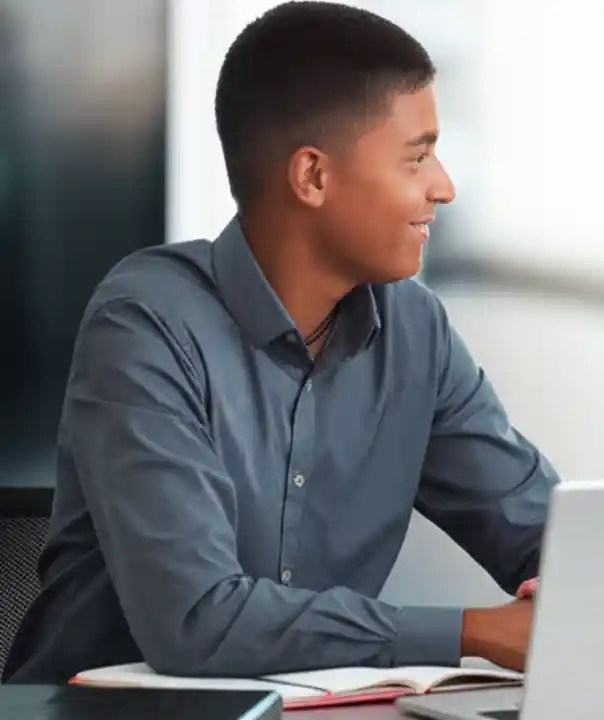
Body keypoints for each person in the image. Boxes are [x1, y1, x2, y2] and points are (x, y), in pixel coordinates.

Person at [4, 1, 555, 683]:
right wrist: (474, 633)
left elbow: (552, 539)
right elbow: (198, 623)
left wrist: (588, 585)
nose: (443, 186)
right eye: (417, 158)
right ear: (313, 177)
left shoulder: (418, 333)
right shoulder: (145, 325)